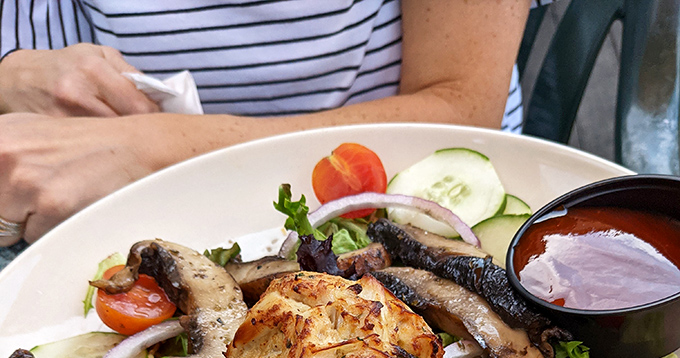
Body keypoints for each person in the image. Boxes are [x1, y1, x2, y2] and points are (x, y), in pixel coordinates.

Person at [0, 0, 550, 245]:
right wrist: (8, 72)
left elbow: (462, 103)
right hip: (75, 200)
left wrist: (151, 151)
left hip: (399, 204)